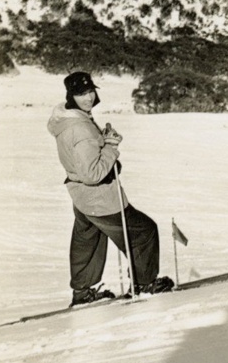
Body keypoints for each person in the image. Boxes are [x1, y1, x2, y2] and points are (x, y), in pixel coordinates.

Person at [47, 71, 173, 306]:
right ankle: (144, 284)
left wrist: (102, 143)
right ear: (70, 95)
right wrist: (111, 147)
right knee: (143, 232)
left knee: (88, 241)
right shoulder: (80, 129)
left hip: (81, 197)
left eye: (90, 91)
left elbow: (83, 157)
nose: (88, 98)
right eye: (81, 93)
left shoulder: (70, 119)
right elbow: (92, 173)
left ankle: (83, 292)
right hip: (99, 198)